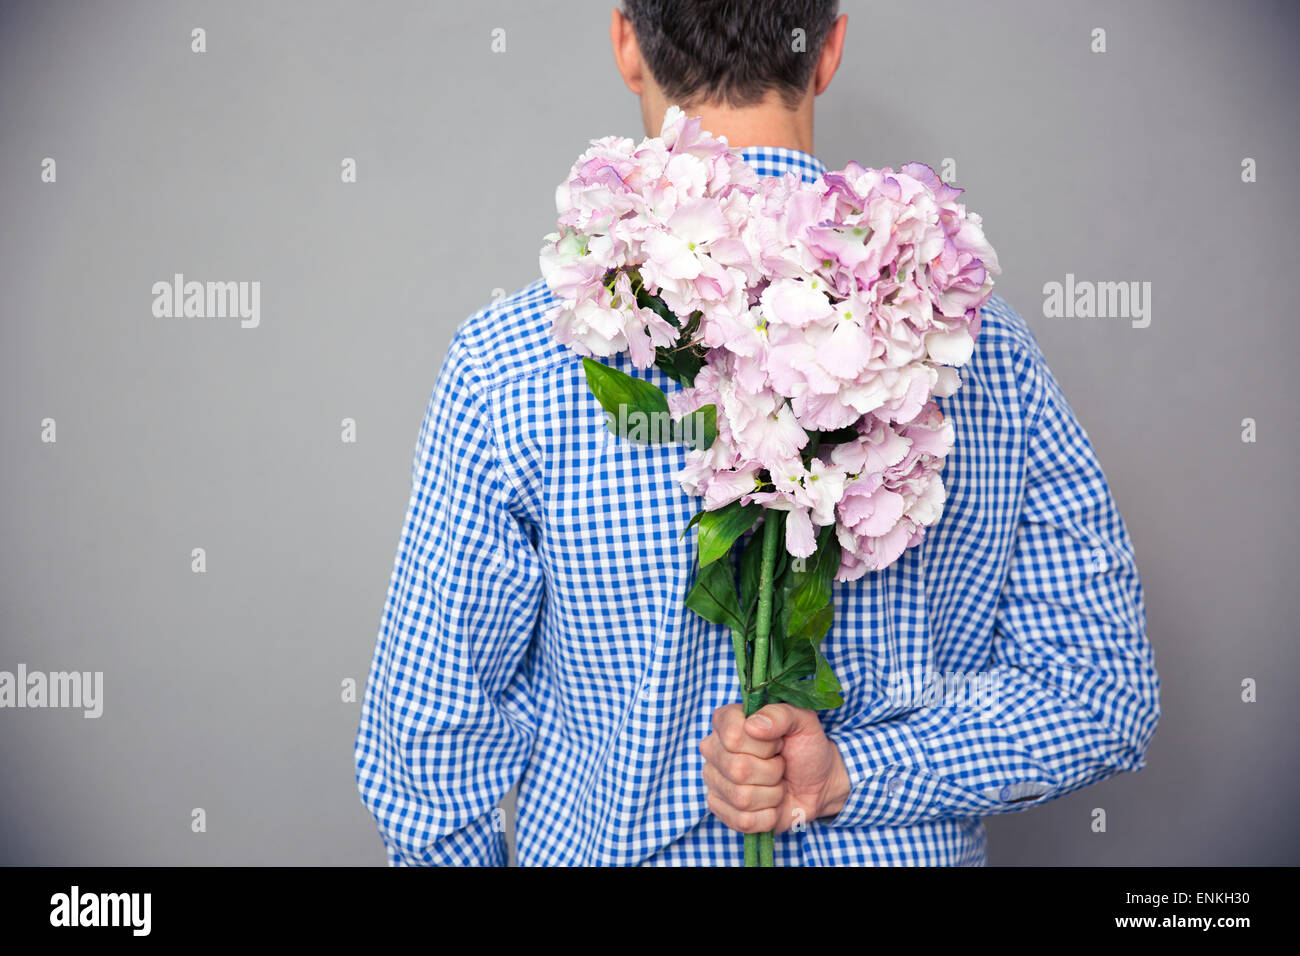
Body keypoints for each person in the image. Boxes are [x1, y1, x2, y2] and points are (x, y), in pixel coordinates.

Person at [353, 0, 1160, 866]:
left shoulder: (512, 362)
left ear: (628, 42)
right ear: (830, 47)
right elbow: (1097, 694)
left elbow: (428, 747)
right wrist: (852, 773)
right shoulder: (977, 343)